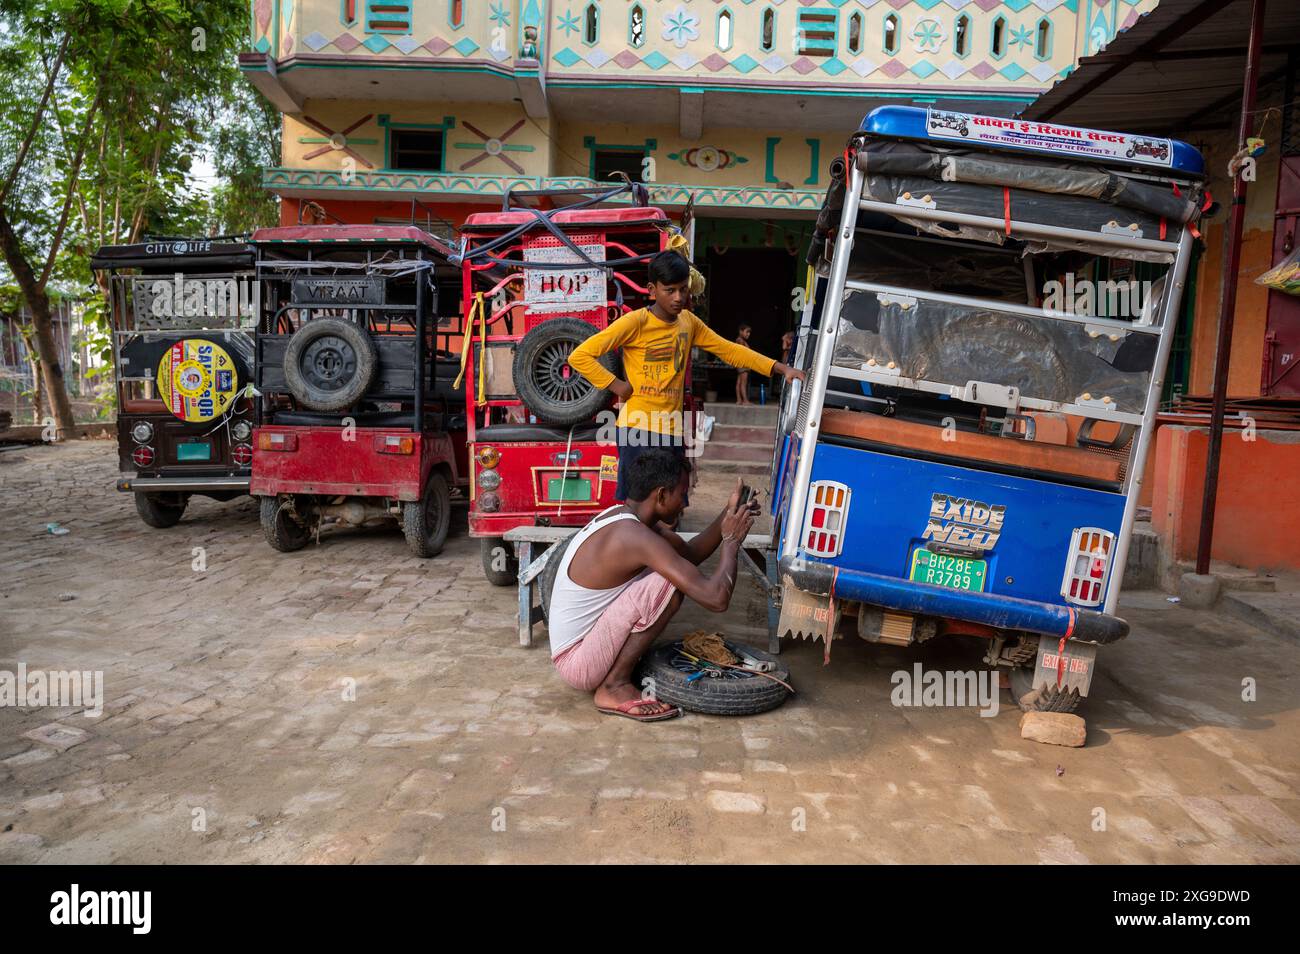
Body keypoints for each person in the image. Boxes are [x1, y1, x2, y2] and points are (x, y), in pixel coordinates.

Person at [568, 249, 805, 501]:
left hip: (671, 430)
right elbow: (580, 356)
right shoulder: (634, 322)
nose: (678, 297)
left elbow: (730, 350)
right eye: (670, 290)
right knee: (637, 507)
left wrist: (781, 368)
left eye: (683, 289)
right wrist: (618, 386)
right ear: (652, 289)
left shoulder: (689, 323)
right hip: (636, 429)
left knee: (671, 508)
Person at [546, 450, 759, 722]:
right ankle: (614, 686)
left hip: (581, 649)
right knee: (668, 581)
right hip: (578, 662)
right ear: (660, 496)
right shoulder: (633, 536)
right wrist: (731, 541)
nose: (686, 503)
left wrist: (730, 514)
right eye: (682, 493)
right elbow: (716, 598)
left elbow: (690, 553)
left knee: (676, 570)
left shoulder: (628, 519)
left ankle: (615, 678)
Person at [734, 324, 754, 405]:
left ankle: (739, 400)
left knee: (739, 382)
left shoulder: (741, 340)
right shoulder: (740, 340)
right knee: (743, 383)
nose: (748, 334)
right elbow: (742, 352)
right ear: (741, 331)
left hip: (741, 363)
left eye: (749, 332)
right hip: (743, 364)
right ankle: (745, 400)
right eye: (747, 332)